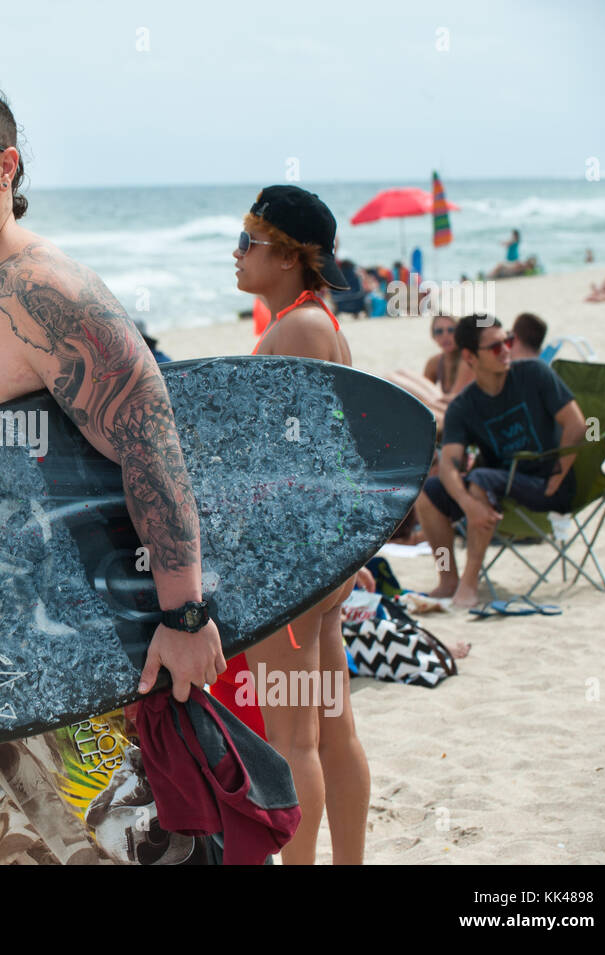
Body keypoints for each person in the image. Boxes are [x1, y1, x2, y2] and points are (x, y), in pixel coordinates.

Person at [0, 68, 224, 865]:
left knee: (128, 848)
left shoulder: (44, 288)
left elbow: (152, 444)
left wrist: (184, 617)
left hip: (66, 653)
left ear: (5, 167)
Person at [232, 184, 370, 866]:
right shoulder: (315, 320)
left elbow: (291, 462)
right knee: (331, 729)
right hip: (316, 556)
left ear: (288, 255)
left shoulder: (297, 330)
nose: (236, 255)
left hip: (290, 561)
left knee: (292, 739)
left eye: (247, 243)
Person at [415, 315, 586, 610]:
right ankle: (448, 578)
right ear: (469, 356)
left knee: (482, 479)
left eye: (508, 341)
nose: (507, 350)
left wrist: (558, 474)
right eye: (496, 347)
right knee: (428, 494)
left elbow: (577, 424)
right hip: (499, 489)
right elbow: (449, 466)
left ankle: (469, 586)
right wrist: (467, 505)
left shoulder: (533, 373)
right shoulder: (463, 406)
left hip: (548, 485)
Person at [386, 313, 475, 434]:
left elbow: (457, 399)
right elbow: (426, 392)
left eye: (451, 330)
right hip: (444, 408)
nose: (445, 336)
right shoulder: (435, 362)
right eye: (439, 331)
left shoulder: (466, 359)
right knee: (398, 374)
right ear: (433, 336)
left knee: (398, 382)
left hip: (463, 411)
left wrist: (428, 402)